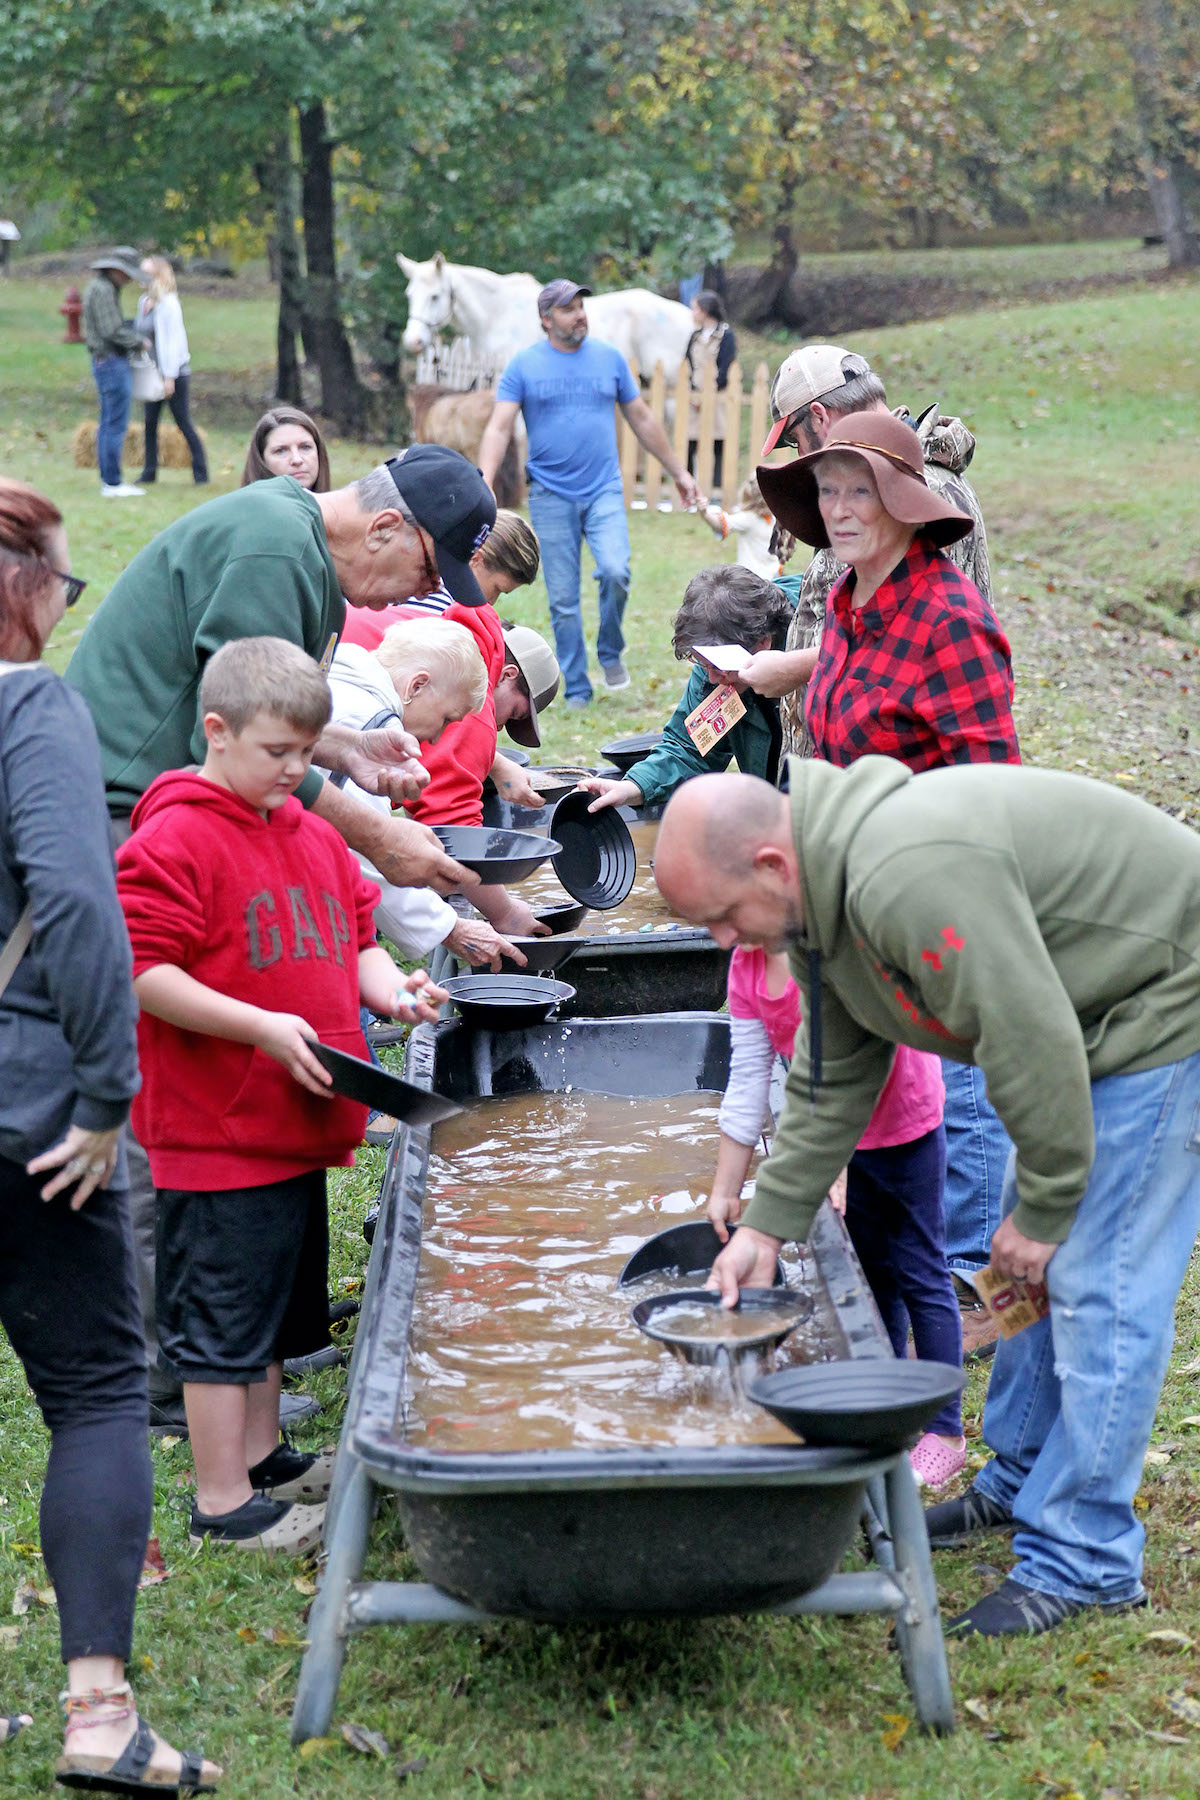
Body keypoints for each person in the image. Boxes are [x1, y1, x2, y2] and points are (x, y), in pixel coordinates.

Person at [655, 758, 1200, 1637]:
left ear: (769, 865)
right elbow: (834, 1078)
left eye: (721, 919)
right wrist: (767, 1224)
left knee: (1101, 1281)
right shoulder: (819, 908)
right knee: (1024, 1277)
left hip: (1166, 998)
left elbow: (1027, 1032)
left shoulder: (902, 876)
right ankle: (1019, 1482)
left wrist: (1050, 1206)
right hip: (1078, 1024)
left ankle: (1088, 1557)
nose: (724, 943)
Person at [67, 445, 489, 1432]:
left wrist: (348, 747)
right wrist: (380, 832)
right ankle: (167, 1364)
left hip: (179, 813)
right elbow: (244, 740)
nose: (424, 593)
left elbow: (280, 727)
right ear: (386, 529)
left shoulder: (302, 552)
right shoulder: (272, 547)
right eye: (428, 571)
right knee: (155, 1098)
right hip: (130, 815)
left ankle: (240, 1323)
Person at [116, 638, 445, 1552]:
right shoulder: (175, 837)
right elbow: (142, 970)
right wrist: (260, 1026)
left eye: (307, 753)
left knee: (268, 1310)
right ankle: (223, 1502)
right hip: (216, 1138)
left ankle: (264, 1461)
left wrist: (396, 991)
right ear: (217, 733)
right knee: (225, 1320)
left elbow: (357, 940)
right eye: (277, 754)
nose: (296, 772)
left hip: (292, 1129)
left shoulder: (309, 834)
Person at [0, 478, 221, 1792]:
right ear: (23, 582)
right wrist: (103, 1099)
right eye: (67, 586)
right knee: (89, 1394)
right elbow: (82, 907)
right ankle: (99, 1717)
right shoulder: (28, 704)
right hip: (30, 1115)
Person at [753, 401, 1019, 1339]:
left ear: (906, 501)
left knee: (951, 1082)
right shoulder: (842, 605)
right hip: (849, 898)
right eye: (826, 489)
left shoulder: (951, 616)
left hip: (932, 899)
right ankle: (890, 1312)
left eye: (858, 489)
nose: (838, 507)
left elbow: (994, 789)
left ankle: (963, 1278)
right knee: (873, 1110)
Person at [710, 943, 962, 1485]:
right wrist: (725, 1190)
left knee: (920, 1269)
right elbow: (750, 1075)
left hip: (903, 1127)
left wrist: (836, 1153)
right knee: (872, 1278)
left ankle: (945, 1430)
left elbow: (863, 1053)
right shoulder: (745, 965)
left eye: (722, 914)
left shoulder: (829, 948)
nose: (717, 933)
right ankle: (886, 1397)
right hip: (835, 1138)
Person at [477, 278, 704, 708]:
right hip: (549, 494)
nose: (579, 314)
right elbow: (499, 425)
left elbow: (641, 417)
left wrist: (678, 472)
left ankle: (610, 650)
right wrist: (485, 479)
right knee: (562, 599)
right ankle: (578, 687)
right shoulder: (524, 365)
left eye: (581, 305)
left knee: (616, 570)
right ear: (546, 319)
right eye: (567, 308)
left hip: (603, 489)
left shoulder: (608, 359)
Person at [326, 618, 520, 969]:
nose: (435, 736)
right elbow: (367, 852)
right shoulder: (369, 721)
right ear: (416, 686)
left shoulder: (343, 679)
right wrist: (450, 927)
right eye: (447, 718)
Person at [340, 509, 546, 810]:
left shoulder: (432, 604)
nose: (491, 602)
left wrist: (495, 764)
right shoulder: (454, 645)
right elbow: (447, 804)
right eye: (498, 588)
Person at [579, 565, 794, 814]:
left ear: (763, 643)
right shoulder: (719, 656)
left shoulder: (822, 639)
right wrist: (630, 787)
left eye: (720, 668)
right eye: (704, 665)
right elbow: (688, 748)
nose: (713, 679)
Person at [133, 254, 209, 487]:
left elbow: (173, 342)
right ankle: (149, 471)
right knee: (150, 422)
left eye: (146, 271)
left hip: (172, 373)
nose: (141, 275)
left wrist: (170, 377)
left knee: (182, 420)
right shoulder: (143, 302)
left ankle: (201, 471)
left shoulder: (169, 303)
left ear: (157, 274)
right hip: (150, 372)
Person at [81, 246, 147, 498]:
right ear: (115, 270)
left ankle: (110, 480)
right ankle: (113, 482)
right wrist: (139, 341)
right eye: (127, 274)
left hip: (103, 361)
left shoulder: (101, 287)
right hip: (111, 361)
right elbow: (111, 330)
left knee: (109, 422)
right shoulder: (103, 290)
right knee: (115, 423)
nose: (129, 280)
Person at [685, 289, 736, 491]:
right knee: (689, 443)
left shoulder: (726, 335)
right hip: (694, 398)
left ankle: (716, 488)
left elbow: (726, 367)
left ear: (705, 311)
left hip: (718, 397)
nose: (693, 314)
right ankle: (688, 487)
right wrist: (693, 394)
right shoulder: (694, 336)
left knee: (718, 442)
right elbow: (687, 365)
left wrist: (709, 394)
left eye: (695, 309)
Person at [702, 475, 786, 582]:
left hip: (773, 576)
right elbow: (721, 524)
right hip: (752, 579)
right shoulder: (748, 518)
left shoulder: (774, 518)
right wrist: (705, 513)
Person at [241, 406, 331, 493]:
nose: (297, 460)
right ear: (261, 460)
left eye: (305, 447)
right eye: (281, 451)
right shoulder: (243, 508)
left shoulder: (339, 507)